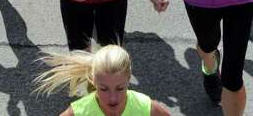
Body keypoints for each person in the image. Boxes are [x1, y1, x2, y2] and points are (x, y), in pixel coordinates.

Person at [33, 44, 174, 116]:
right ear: (93, 80)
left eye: (120, 88)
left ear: (129, 79)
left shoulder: (147, 109)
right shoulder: (79, 112)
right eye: (104, 89)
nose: (113, 98)